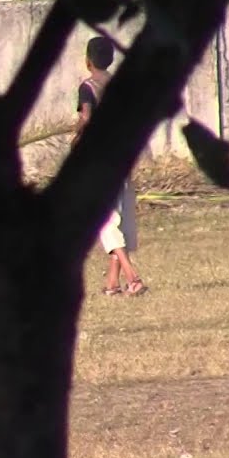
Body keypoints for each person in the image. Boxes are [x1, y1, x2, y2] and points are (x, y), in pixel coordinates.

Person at [75, 36, 147, 297]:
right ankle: (112, 284)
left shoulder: (88, 87)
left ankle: (132, 277)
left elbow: (86, 118)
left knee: (104, 219)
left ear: (88, 61)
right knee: (120, 217)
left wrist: (77, 133)